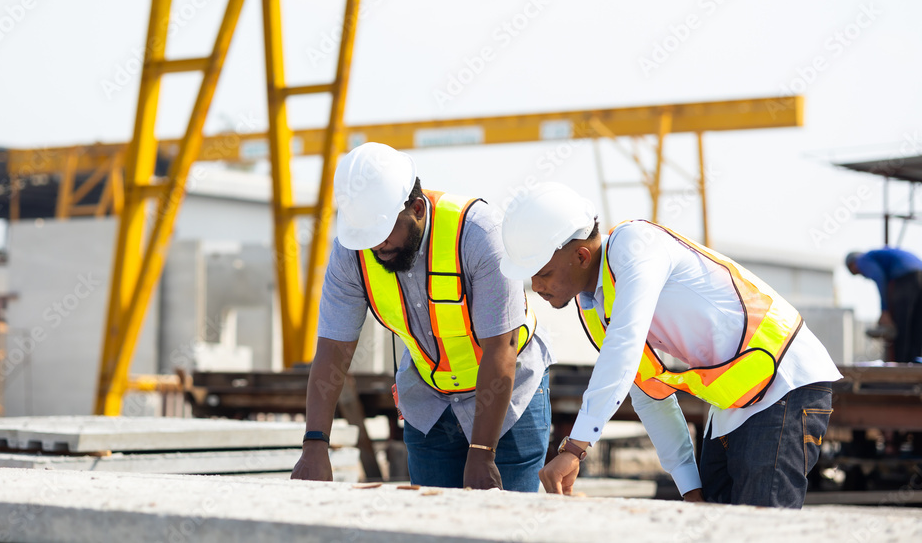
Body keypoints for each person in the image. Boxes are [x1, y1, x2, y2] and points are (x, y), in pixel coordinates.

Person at [497, 182, 842, 508]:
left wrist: (574, 449)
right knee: (716, 527)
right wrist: (690, 491)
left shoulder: (635, 245)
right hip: (735, 404)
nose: (536, 286)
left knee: (761, 533)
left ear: (582, 256)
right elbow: (650, 398)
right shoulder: (594, 307)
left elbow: (624, 348)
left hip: (785, 384)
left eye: (542, 272)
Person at [290, 142, 554, 491]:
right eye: (366, 237)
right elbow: (333, 351)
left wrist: (482, 452)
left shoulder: (478, 233)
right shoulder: (351, 253)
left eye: (383, 233)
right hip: (430, 403)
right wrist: (314, 443)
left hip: (508, 400)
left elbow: (500, 347)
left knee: (505, 527)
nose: (375, 247)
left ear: (416, 208)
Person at [846, 248, 922, 363]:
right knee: (917, 325)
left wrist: (884, 310)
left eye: (858, 273)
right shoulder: (879, 256)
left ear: (852, 265)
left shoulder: (862, 260)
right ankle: (915, 366)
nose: (862, 274)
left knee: (901, 327)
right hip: (919, 275)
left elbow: (879, 278)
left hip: (905, 278)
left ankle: (900, 368)